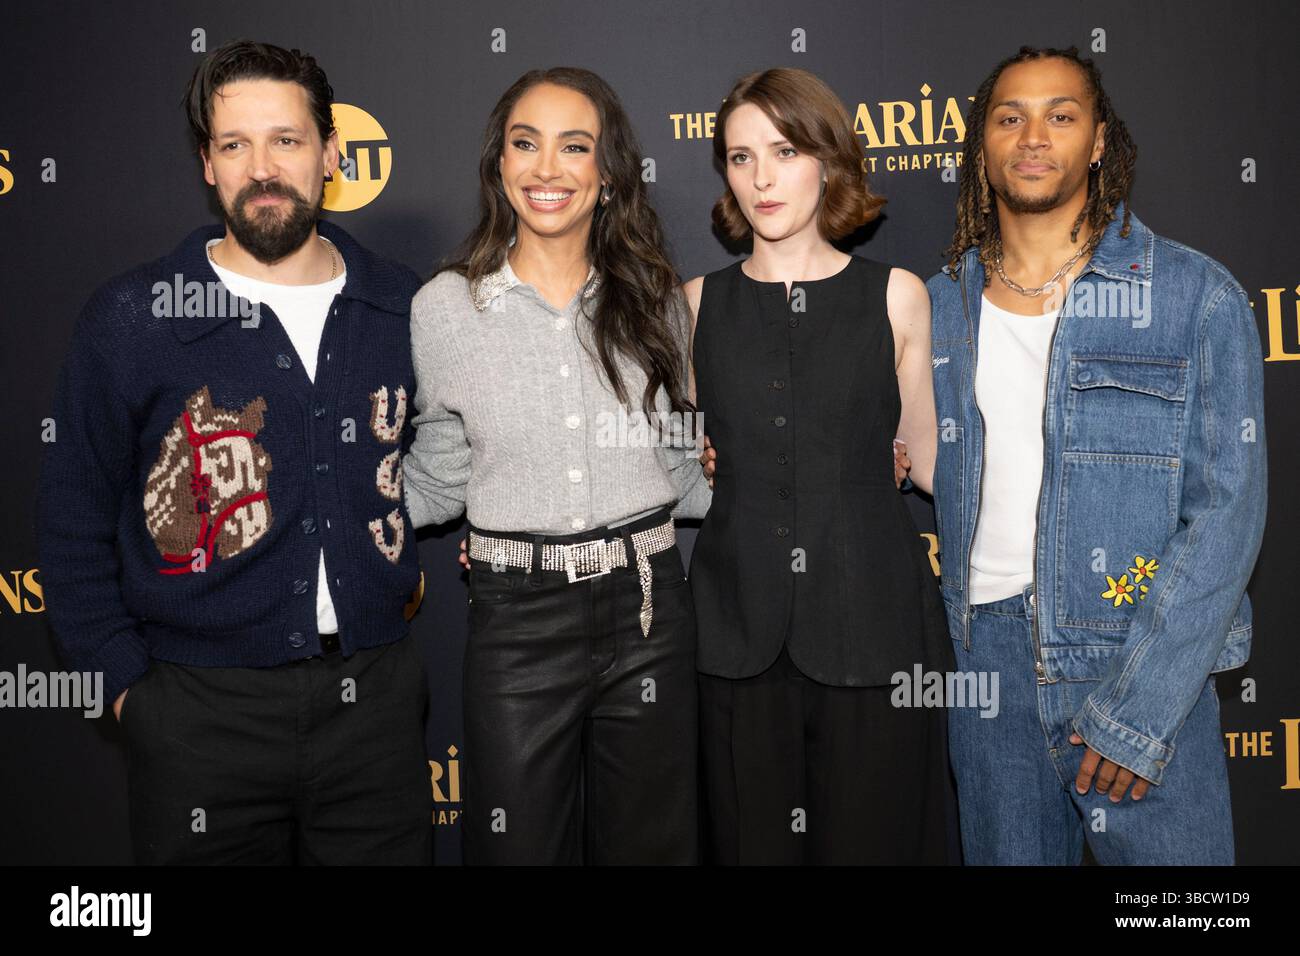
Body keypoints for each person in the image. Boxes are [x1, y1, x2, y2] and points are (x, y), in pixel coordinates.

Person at [36, 40, 431, 865]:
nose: (262, 168)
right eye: (233, 145)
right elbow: (72, 524)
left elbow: (454, 450)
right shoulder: (135, 317)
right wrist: (126, 691)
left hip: (375, 706)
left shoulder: (402, 305)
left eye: (285, 140)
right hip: (195, 716)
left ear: (331, 154)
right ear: (207, 167)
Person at [925, 46, 1266, 864]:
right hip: (988, 671)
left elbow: (1228, 514)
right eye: (1010, 117)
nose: (1034, 136)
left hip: (1138, 657)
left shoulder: (1193, 296)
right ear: (982, 146)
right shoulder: (939, 307)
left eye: (1062, 115)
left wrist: (1139, 711)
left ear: (1101, 140)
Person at [402, 67, 711, 865]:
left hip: (649, 609)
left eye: (574, 147)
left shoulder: (656, 298)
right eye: (525, 143)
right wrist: (323, 514)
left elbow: (683, 469)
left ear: (607, 176)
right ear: (499, 165)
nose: (547, 169)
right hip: (516, 620)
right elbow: (438, 475)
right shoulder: (445, 307)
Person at [683, 67, 955, 864]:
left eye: (785, 149)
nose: (762, 177)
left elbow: (932, 460)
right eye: (739, 157)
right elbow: (667, 471)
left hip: (876, 631)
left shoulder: (897, 295)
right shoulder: (695, 303)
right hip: (733, 640)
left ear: (828, 159)